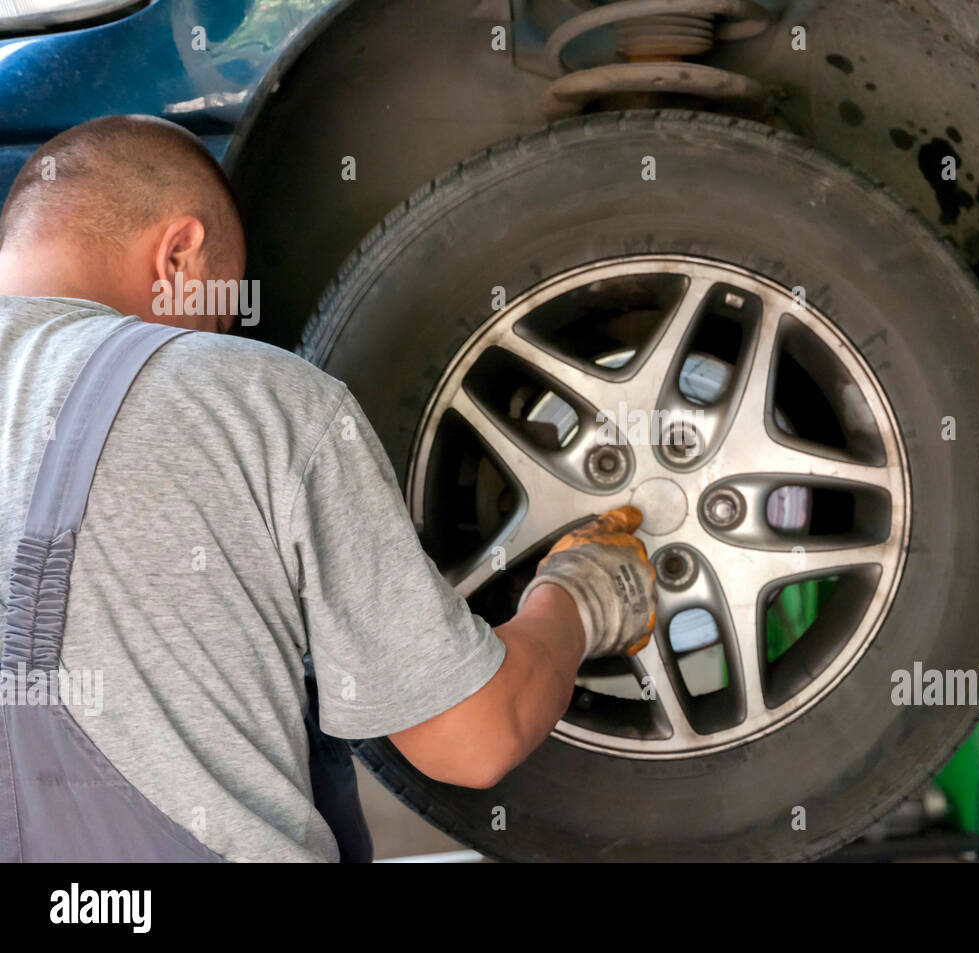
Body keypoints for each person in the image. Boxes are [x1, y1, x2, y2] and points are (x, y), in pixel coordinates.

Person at [0, 115, 656, 862]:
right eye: (215, 313)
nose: (210, 339)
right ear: (179, 253)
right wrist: (584, 595)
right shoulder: (248, 396)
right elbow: (474, 738)